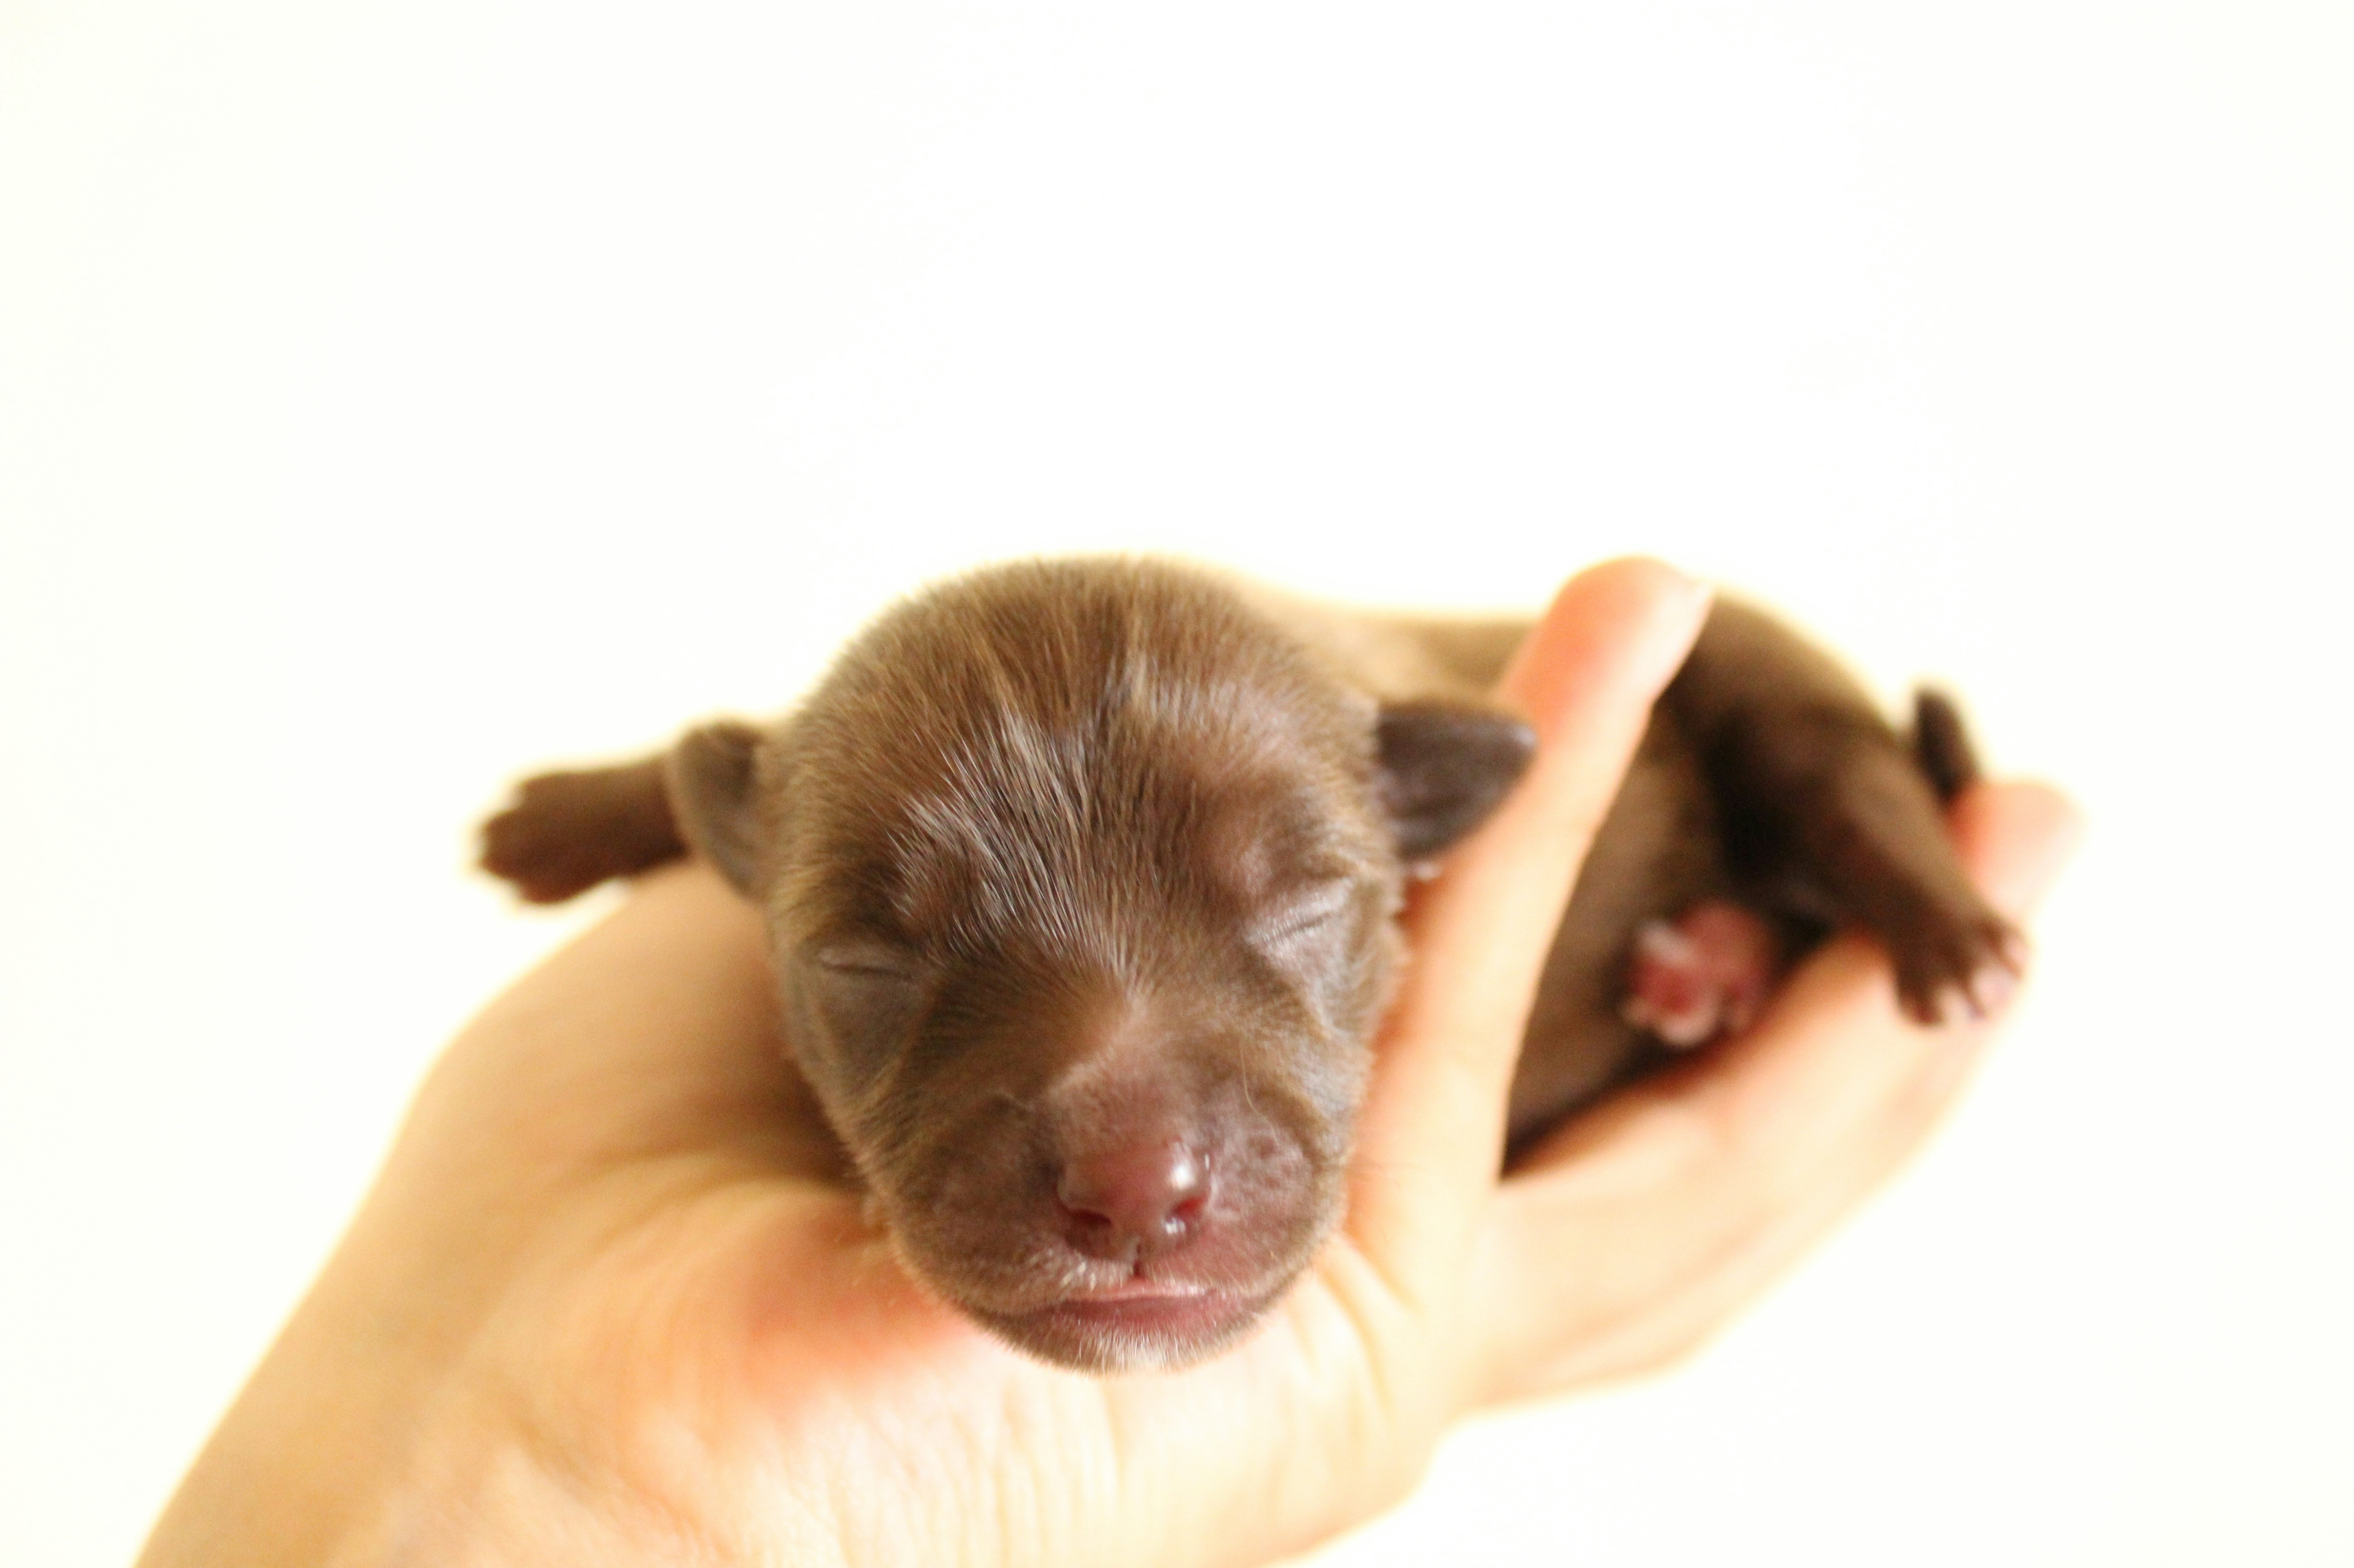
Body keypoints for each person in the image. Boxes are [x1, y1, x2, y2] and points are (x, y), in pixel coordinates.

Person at [136, 560, 2080, 1568]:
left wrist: (1872, 874)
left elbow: (1741, 674)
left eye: (1287, 905)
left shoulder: (1461, 759)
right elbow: (760, 776)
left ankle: (1794, 913)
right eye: (888, 950)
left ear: (1421, 810)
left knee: (1796, 753)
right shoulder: (781, 805)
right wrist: (606, 1505)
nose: (1128, 1163)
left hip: (1723, 811)